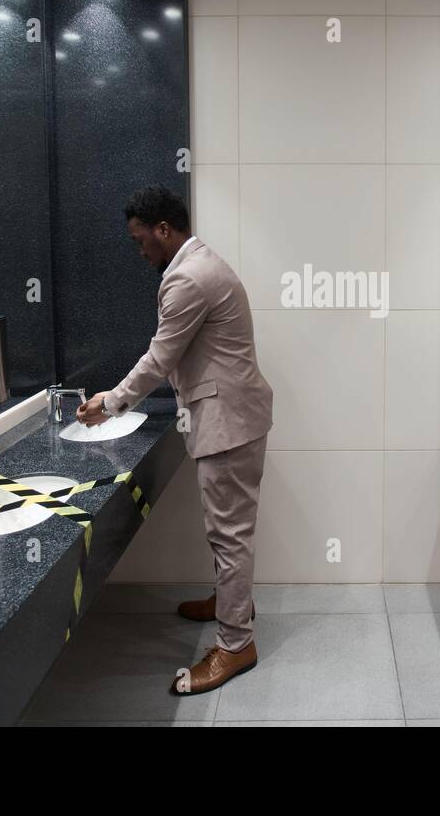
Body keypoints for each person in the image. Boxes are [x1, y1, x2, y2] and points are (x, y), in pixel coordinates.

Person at [77, 185, 273, 695]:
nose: (140, 251)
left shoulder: (187, 276)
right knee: (226, 529)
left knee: (229, 533)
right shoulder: (200, 264)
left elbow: (160, 358)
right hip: (233, 415)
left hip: (229, 422)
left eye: (142, 240)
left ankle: (236, 643)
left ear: (164, 229)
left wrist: (111, 402)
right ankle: (233, 603)